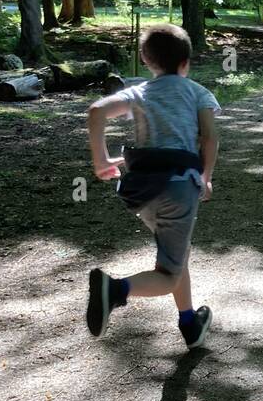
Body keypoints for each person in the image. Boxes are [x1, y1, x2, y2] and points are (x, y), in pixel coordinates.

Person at [85, 23, 219, 349]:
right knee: (168, 274)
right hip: (178, 187)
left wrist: (101, 160)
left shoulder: (139, 92)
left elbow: (96, 111)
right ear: (186, 63)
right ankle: (115, 291)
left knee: (177, 254)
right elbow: (210, 138)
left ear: (146, 60)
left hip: (142, 190)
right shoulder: (197, 92)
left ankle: (189, 322)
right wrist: (205, 177)